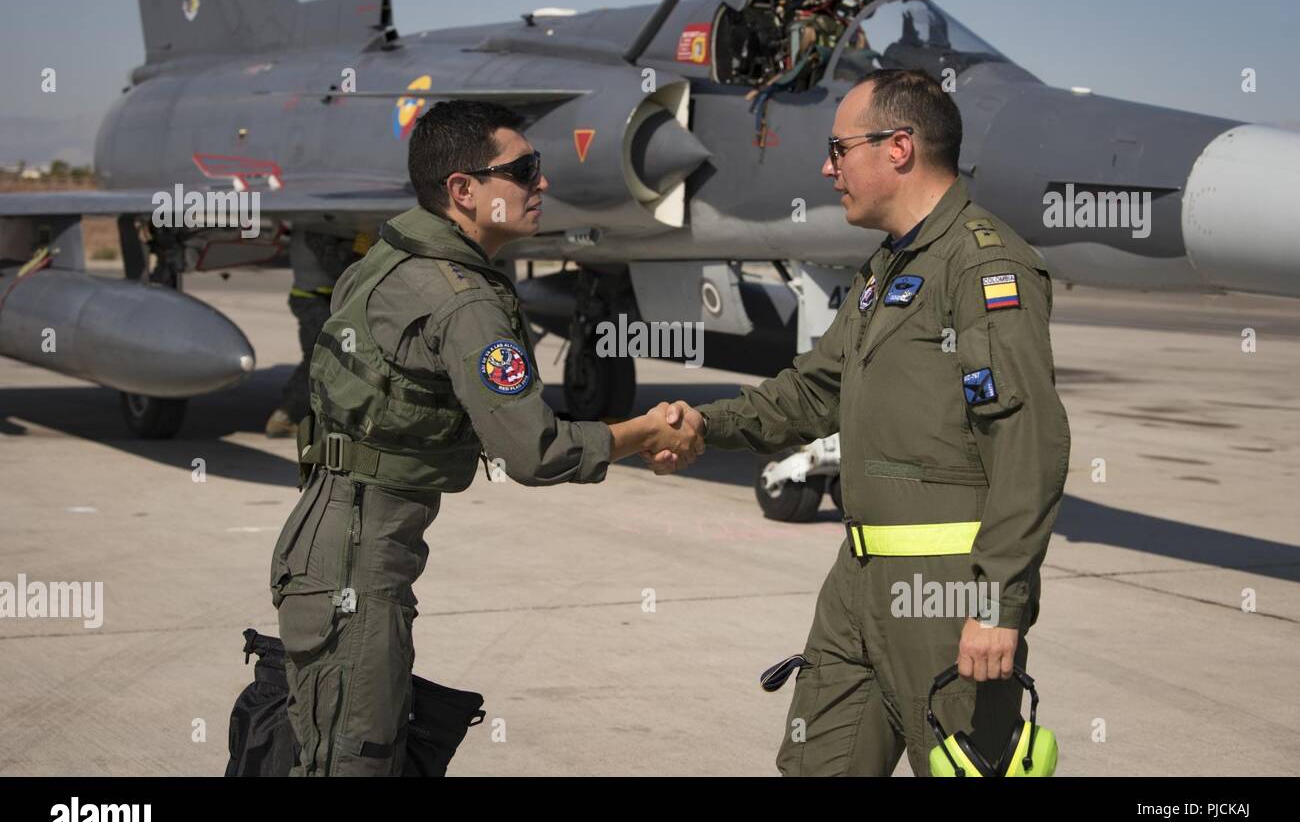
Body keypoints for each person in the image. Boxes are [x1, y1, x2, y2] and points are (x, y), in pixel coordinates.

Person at [650, 68, 1070, 776]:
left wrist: (1000, 602)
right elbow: (813, 392)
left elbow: (1029, 439)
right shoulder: (888, 268)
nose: (826, 165)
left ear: (898, 148)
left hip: (947, 590)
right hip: (859, 581)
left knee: (967, 767)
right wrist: (702, 423)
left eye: (838, 147)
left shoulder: (984, 265)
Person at [269, 99, 702, 776]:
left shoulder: (386, 257)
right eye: (524, 169)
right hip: (357, 565)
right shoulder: (464, 301)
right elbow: (534, 451)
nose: (542, 183)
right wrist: (644, 431)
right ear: (462, 191)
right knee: (355, 764)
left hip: (331, 545)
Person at [264, 228, 366, 438]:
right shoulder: (316, 226)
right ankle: (285, 416)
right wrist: (363, 249)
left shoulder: (318, 222)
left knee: (337, 358)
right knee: (318, 358)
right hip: (313, 300)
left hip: (322, 299)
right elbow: (338, 268)